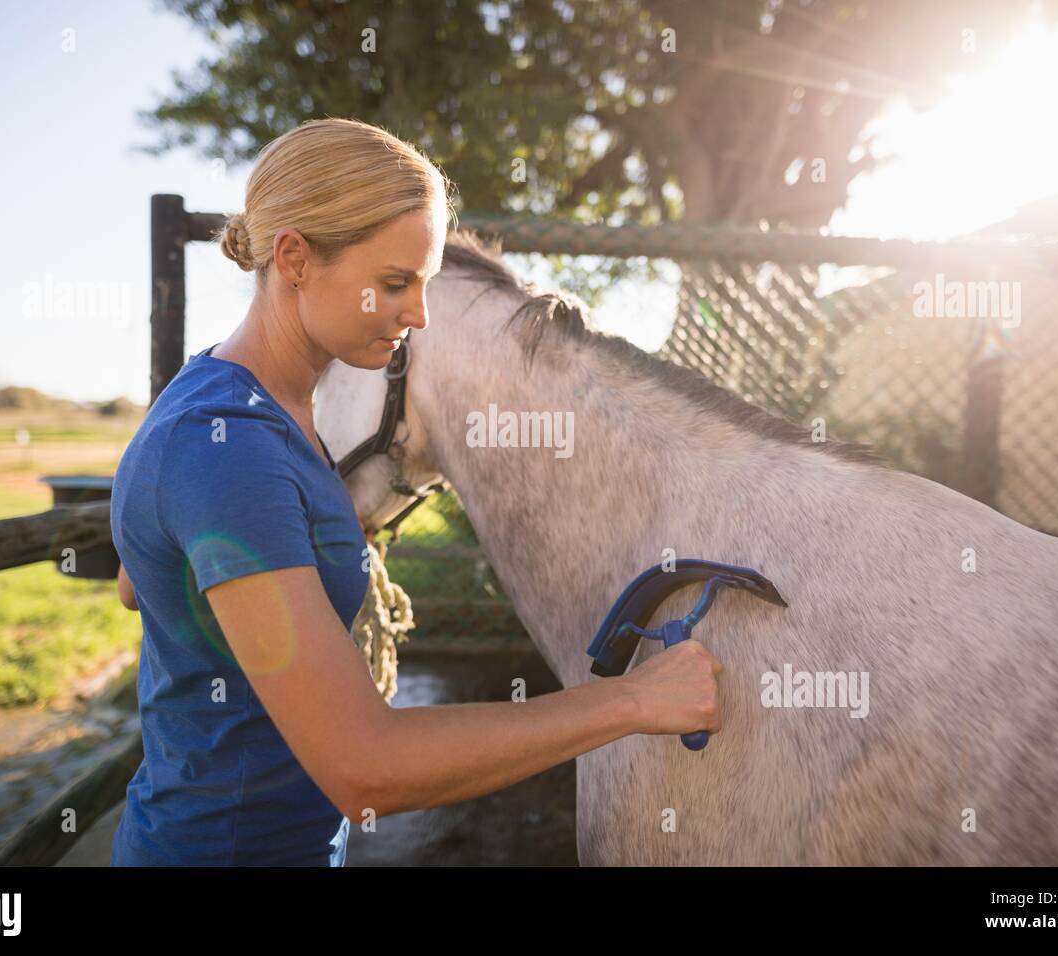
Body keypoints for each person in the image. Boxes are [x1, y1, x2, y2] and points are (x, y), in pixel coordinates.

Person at [109, 117, 723, 866]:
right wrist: (634, 701)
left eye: (424, 283)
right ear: (295, 257)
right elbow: (365, 768)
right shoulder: (226, 446)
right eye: (394, 284)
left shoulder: (256, 403)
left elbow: (139, 584)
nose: (419, 314)